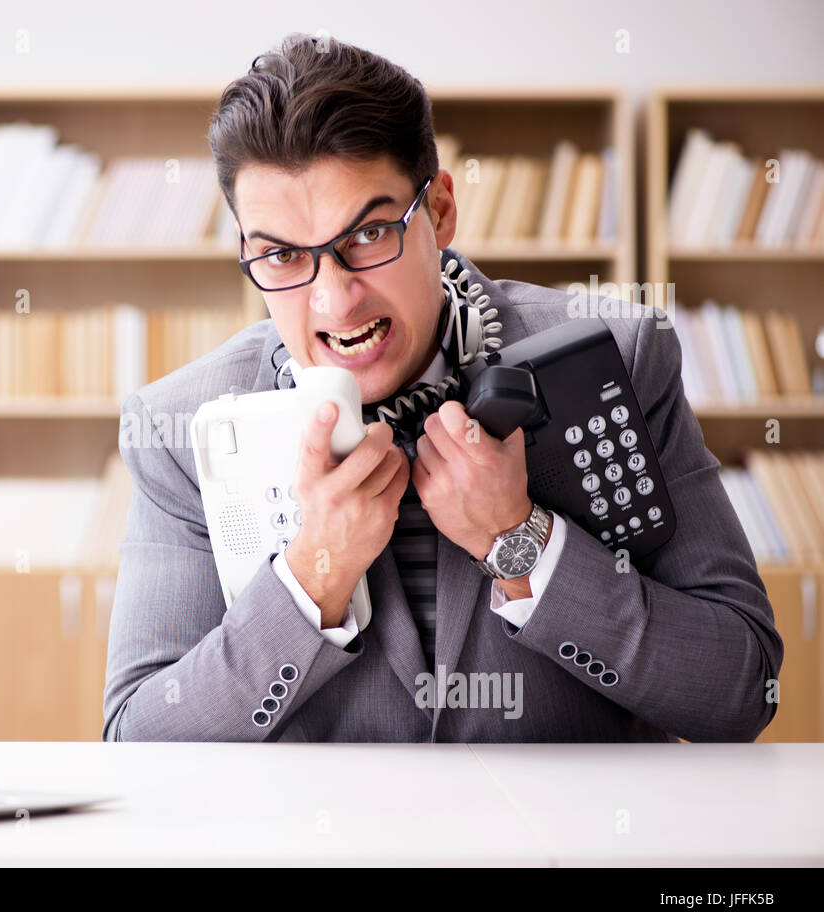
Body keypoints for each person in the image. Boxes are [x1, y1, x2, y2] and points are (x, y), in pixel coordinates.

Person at [102, 32, 782, 742]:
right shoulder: (180, 428)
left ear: (440, 212)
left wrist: (522, 542)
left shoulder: (623, 359)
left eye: (368, 234)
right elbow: (139, 742)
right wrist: (311, 578)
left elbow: (741, 689)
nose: (334, 301)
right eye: (280, 255)